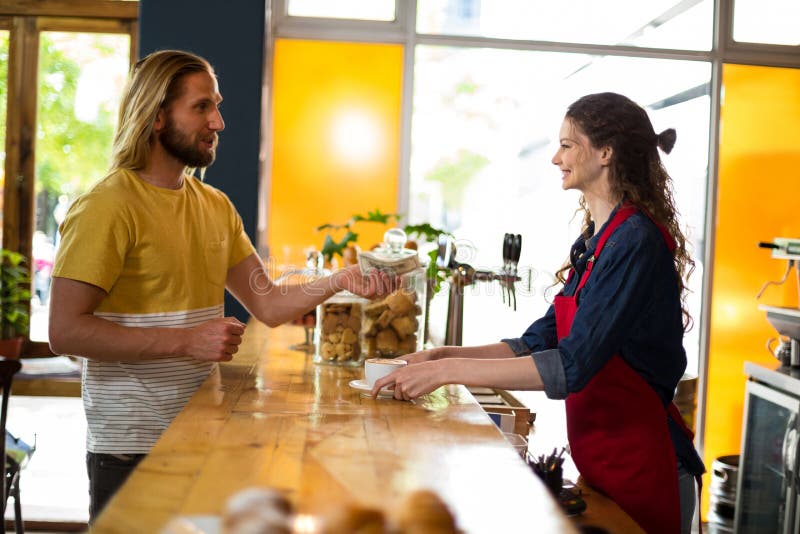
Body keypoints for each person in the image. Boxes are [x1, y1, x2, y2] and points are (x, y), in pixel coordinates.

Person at [48, 49, 393, 522]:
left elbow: (269, 304)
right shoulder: (106, 206)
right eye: (202, 107)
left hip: (201, 435)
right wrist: (187, 340)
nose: (219, 122)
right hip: (131, 448)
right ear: (156, 116)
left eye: (218, 105)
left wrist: (342, 279)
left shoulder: (214, 205)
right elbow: (64, 331)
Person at [372, 92, 705, 534]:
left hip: (647, 473)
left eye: (568, 144)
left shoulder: (635, 241)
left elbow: (571, 367)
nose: (555, 157)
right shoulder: (598, 241)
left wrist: (448, 372)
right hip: (605, 469)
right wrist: (438, 357)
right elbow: (537, 341)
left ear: (605, 153)